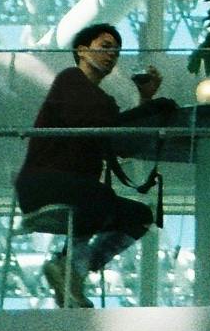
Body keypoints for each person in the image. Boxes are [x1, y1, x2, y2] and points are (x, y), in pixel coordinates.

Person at [15, 23, 172, 307]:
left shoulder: (103, 101)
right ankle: (68, 267)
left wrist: (145, 100)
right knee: (98, 197)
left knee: (138, 215)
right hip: (44, 183)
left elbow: (115, 136)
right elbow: (105, 128)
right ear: (82, 50)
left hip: (77, 190)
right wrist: (147, 108)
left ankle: (74, 271)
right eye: (105, 46)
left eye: (116, 51)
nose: (111, 55)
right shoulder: (70, 80)